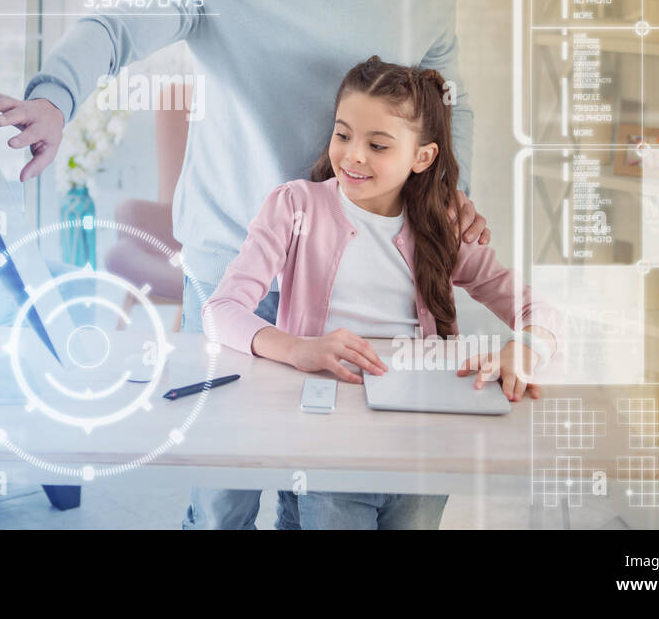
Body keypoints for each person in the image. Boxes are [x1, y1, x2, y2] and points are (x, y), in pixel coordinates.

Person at [0, 0, 489, 529]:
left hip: (362, 286)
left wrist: (452, 191)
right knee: (222, 501)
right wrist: (54, 97)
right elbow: (117, 28)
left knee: (335, 498)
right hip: (234, 279)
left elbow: (449, 99)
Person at [203, 56, 563, 529]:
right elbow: (220, 311)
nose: (353, 155)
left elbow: (539, 311)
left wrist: (525, 351)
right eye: (343, 134)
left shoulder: (443, 227)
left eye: (377, 145)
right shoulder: (294, 207)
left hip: (422, 442)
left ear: (422, 157)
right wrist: (298, 348)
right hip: (326, 441)